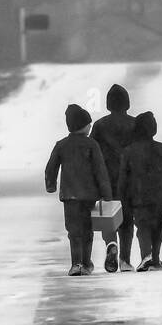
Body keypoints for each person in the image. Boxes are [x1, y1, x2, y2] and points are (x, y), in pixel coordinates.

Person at [44, 103, 112, 276]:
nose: (90, 126)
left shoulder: (62, 145)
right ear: (82, 125)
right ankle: (87, 263)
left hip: (69, 196)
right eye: (88, 124)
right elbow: (100, 171)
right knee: (87, 231)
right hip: (89, 196)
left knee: (74, 231)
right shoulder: (92, 145)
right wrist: (106, 194)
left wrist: (50, 185)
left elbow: (50, 168)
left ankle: (76, 264)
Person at [119, 111, 162, 272]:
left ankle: (146, 256)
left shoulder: (128, 151)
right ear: (153, 129)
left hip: (138, 198)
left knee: (142, 227)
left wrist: (122, 199)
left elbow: (123, 179)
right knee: (158, 228)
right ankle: (155, 258)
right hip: (159, 197)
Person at [90, 83, 136, 273]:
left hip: (107, 178)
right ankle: (125, 259)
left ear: (108, 104)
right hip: (130, 179)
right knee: (127, 220)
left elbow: (91, 150)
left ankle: (111, 244)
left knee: (109, 216)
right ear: (127, 103)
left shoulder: (100, 126)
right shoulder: (135, 124)